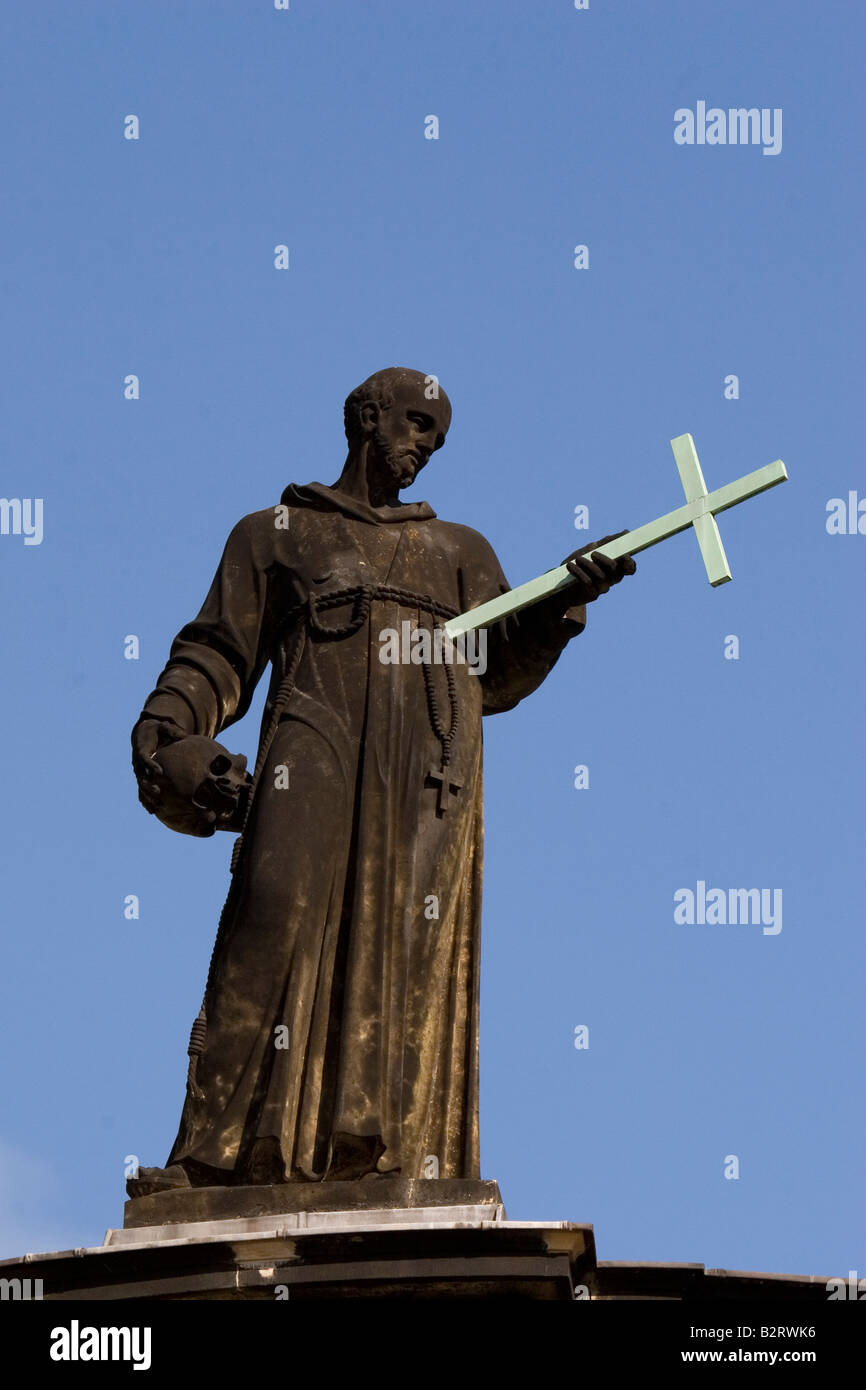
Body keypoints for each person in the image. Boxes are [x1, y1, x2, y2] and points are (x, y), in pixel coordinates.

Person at [128, 367, 634, 1195]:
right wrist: (171, 731)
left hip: (425, 770)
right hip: (313, 744)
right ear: (365, 417)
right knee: (271, 918)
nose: (424, 448)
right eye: (414, 425)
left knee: (405, 946)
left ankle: (383, 1157)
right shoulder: (276, 532)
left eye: (436, 436)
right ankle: (210, 1159)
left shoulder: (460, 553)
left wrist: (559, 608)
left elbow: (496, 671)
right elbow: (217, 651)